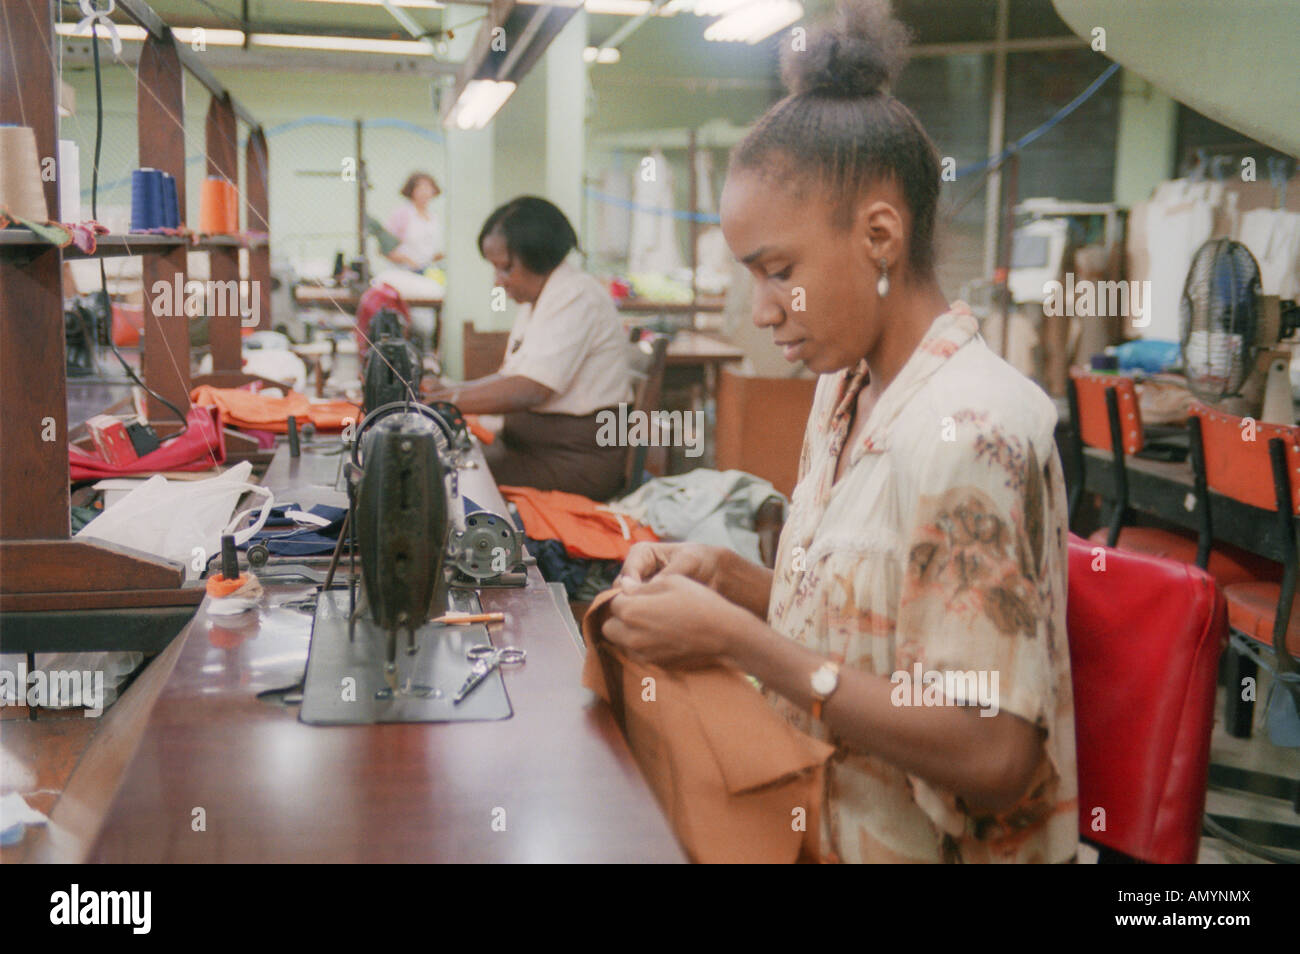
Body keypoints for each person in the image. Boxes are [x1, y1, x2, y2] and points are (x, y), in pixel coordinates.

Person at [596, 0, 1077, 864]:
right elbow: (869, 620)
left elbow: (994, 753)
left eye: (779, 272)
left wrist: (739, 642)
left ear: (880, 236)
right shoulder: (848, 389)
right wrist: (732, 582)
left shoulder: (968, 432)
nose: (763, 310)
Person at [427, 196, 633, 501]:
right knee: (449, 465)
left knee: (442, 477)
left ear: (539, 257)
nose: (499, 282)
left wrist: (446, 399)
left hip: (575, 463)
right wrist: (446, 392)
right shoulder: (543, 298)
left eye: (506, 268)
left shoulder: (576, 295)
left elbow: (531, 388)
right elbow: (510, 376)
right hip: (537, 451)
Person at [384, 172, 444, 271]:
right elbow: (384, 248)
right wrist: (406, 260)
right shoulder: (401, 214)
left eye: (428, 188)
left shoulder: (433, 217)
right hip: (404, 271)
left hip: (428, 270)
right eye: (420, 188)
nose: (425, 192)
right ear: (411, 190)